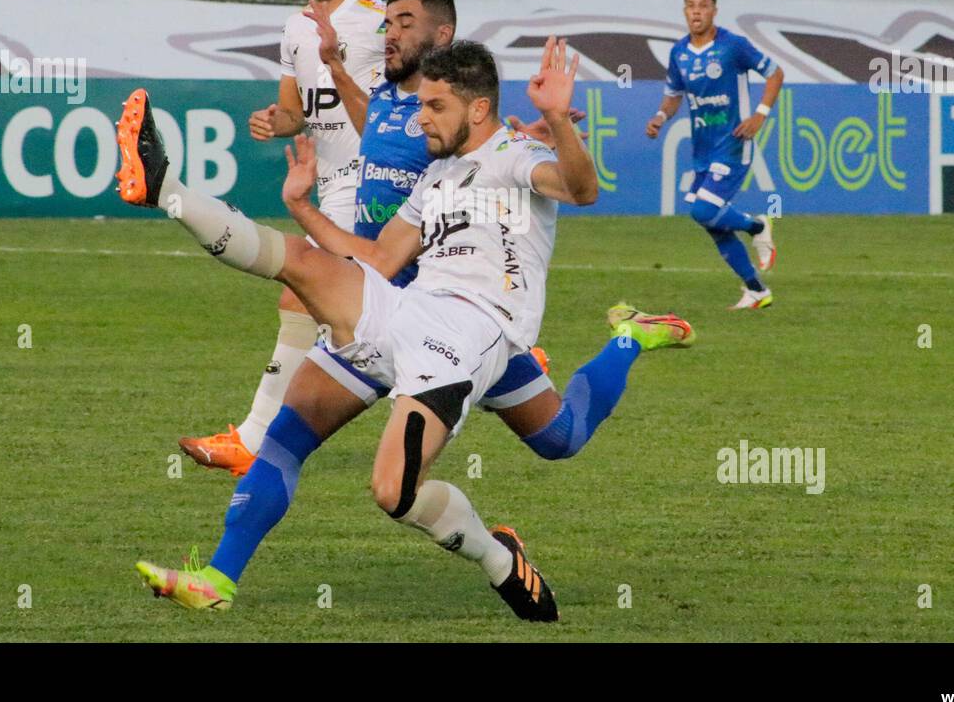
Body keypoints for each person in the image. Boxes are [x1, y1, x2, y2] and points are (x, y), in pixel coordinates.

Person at [119, 38, 667, 621]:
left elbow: (582, 190)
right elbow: (377, 261)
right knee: (296, 353)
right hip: (408, 309)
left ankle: (625, 345)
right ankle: (217, 579)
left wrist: (556, 118)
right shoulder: (436, 177)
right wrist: (304, 209)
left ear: (477, 108)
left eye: (434, 106)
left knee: (490, 460)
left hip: (474, 332)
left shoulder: (513, 154)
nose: (421, 117)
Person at [175, 0, 382, 469]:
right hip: (334, 181)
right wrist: (278, 121)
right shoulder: (294, 28)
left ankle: (253, 438)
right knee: (360, 304)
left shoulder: (379, 22)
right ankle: (511, 362)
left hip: (374, 181)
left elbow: (406, 102)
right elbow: (297, 111)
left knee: (301, 291)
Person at [644, 0, 782, 310]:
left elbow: (775, 73)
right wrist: (661, 116)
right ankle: (757, 290)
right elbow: (674, 95)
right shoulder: (679, 53)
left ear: (714, 10)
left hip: (734, 144)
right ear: (684, 10)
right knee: (712, 224)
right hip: (703, 150)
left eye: (703, 5)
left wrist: (760, 116)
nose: (696, 11)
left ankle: (758, 225)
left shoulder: (733, 46)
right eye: (690, 5)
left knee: (703, 210)